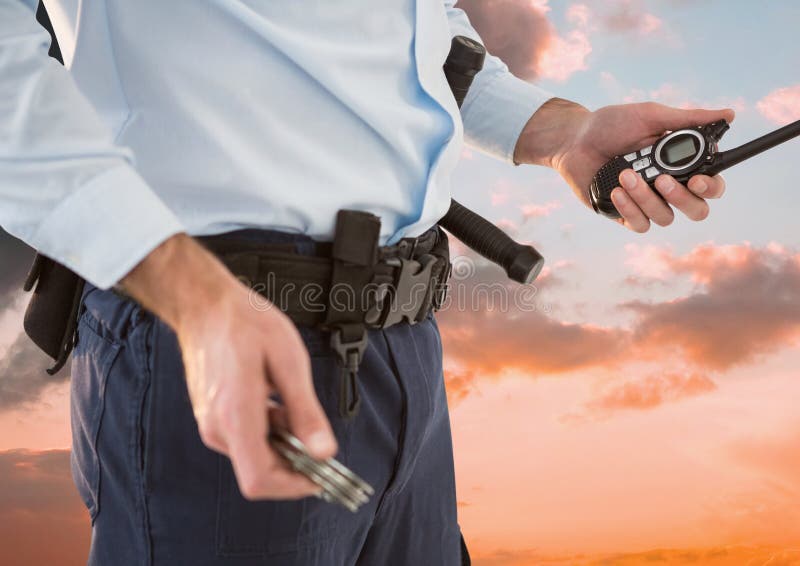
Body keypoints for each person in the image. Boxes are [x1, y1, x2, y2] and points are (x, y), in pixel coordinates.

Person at [0, 1, 732, 565]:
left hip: (404, 355)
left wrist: (560, 132)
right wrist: (187, 294)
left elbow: (415, 31)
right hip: (216, 343)